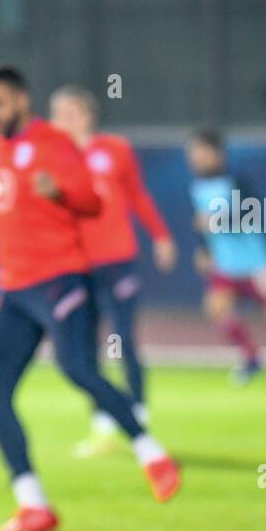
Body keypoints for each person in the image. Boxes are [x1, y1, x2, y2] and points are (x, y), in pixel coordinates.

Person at [0, 65, 180, 531]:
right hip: (14, 289)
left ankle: (149, 451)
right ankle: (33, 504)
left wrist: (62, 191)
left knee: (77, 370)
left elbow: (92, 202)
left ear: (20, 100)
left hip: (60, 278)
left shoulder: (53, 142)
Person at [48, 85, 177, 458]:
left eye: (70, 113)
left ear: (88, 115)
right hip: (75, 266)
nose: (63, 121)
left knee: (124, 340)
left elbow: (137, 196)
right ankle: (102, 425)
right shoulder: (52, 159)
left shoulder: (114, 150)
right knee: (85, 352)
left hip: (116, 260)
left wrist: (161, 235)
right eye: (57, 114)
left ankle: (139, 418)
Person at [185, 128, 266, 386]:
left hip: (257, 262)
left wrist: (219, 220)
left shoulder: (236, 180)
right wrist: (204, 251)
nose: (195, 158)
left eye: (200, 152)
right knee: (215, 307)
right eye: (192, 153)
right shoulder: (197, 187)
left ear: (216, 153)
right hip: (226, 265)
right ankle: (252, 358)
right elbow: (205, 227)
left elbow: (253, 213)